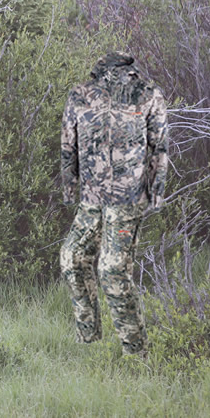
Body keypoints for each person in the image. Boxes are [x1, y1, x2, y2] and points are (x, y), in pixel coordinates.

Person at [60, 51, 168, 355]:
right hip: (91, 198)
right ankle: (88, 342)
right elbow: (68, 144)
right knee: (71, 257)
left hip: (127, 198)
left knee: (112, 269)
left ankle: (136, 352)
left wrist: (156, 192)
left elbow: (159, 147)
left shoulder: (148, 95)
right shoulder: (80, 95)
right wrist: (70, 187)